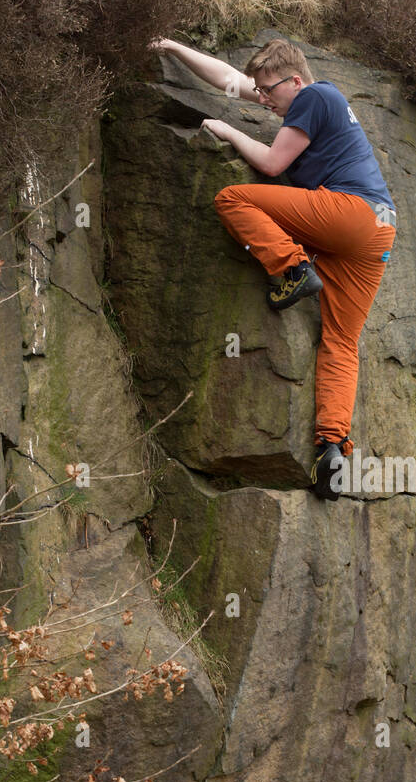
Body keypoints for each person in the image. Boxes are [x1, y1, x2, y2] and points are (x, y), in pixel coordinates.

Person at [148, 36, 397, 500]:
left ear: (295, 81)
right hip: (379, 230)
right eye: (260, 92)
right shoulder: (301, 98)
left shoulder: (314, 96)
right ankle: (331, 448)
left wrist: (229, 129)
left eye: (268, 91)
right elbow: (229, 80)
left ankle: (294, 269)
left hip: (351, 213)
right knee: (341, 341)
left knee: (232, 198)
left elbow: (271, 161)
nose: (262, 99)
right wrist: (175, 48)